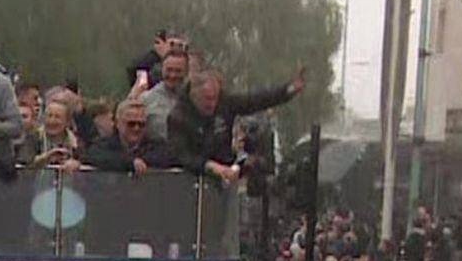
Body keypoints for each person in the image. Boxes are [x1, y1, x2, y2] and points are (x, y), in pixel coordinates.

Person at [168, 68, 305, 183]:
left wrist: (288, 90)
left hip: (225, 175)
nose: (212, 104)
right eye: (207, 99)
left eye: (215, 97)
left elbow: (255, 100)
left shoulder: (225, 102)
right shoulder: (178, 116)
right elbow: (182, 155)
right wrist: (209, 166)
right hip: (190, 179)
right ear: (194, 95)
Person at [83, 99, 173, 173]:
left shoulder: (157, 144)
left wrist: (140, 161)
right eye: (131, 124)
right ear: (118, 123)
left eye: (141, 124)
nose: (136, 128)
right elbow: (94, 156)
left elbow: (166, 157)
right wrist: (130, 163)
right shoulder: (101, 145)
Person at [133, 48, 189, 141]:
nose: (172, 75)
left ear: (187, 72)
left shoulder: (196, 98)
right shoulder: (146, 99)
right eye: (169, 70)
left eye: (178, 71)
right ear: (162, 69)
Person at [20, 99, 82, 172]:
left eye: (57, 117)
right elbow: (25, 161)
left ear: (67, 122)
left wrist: (76, 164)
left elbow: (85, 161)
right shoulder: (33, 137)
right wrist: (48, 157)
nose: (52, 121)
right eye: (49, 116)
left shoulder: (76, 142)